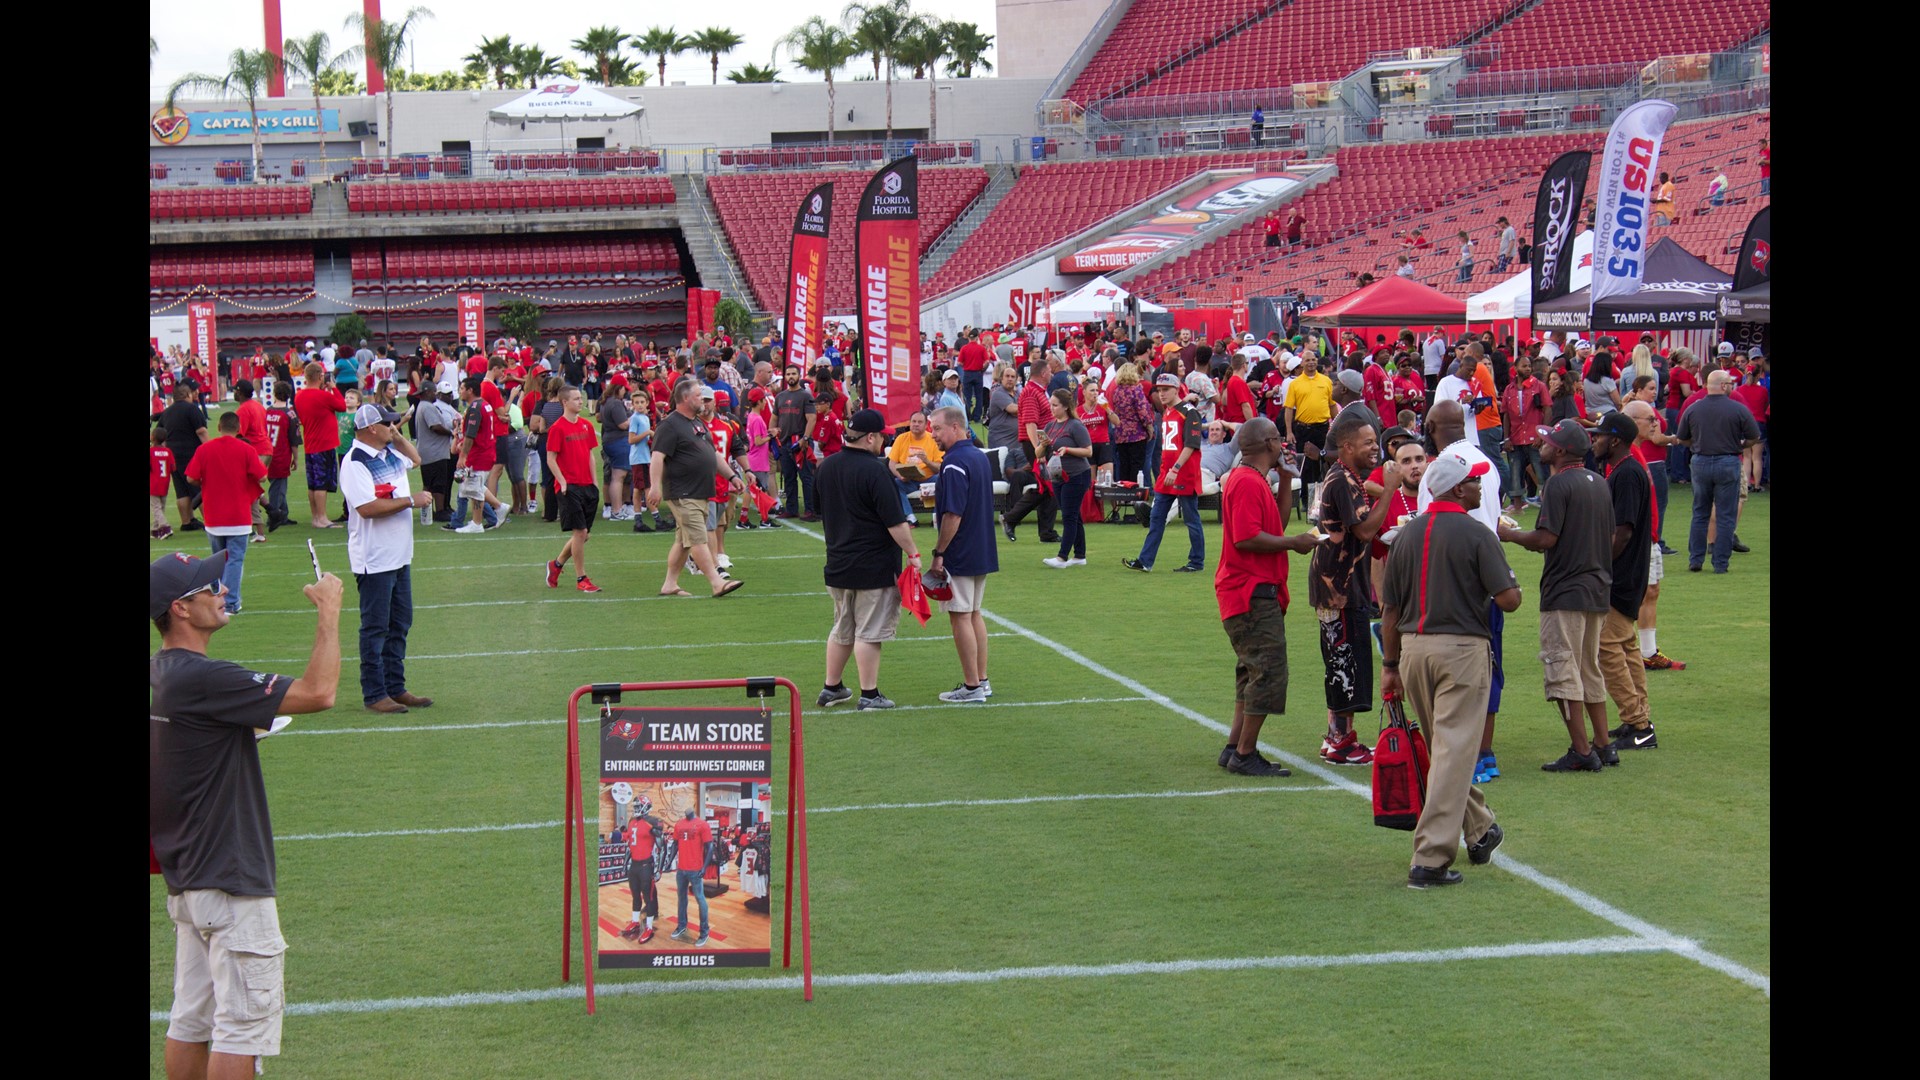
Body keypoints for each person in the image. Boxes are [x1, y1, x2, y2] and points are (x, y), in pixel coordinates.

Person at [151, 550, 342, 1080]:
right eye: (207, 587)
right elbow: (320, 693)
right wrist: (328, 611)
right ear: (180, 610)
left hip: (188, 880)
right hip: (230, 880)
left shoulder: (163, 674)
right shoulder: (202, 678)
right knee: (240, 1027)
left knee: (192, 1022)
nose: (221, 589)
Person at [1379, 450, 1521, 888]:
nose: (1481, 487)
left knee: (1447, 750)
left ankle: (1480, 829)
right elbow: (1509, 600)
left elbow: (1389, 609)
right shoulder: (1478, 534)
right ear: (1458, 489)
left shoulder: (1406, 535)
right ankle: (1430, 858)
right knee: (1454, 752)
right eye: (1475, 481)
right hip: (1460, 650)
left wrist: (1389, 665)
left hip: (1413, 651)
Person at [1497, 420, 1618, 771]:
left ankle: (1581, 752)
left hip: (1565, 591)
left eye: (1547, 441)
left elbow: (1545, 539)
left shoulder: (1558, 484)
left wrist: (1507, 535)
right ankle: (1603, 744)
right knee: (1588, 667)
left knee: (1562, 668)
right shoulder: (1600, 483)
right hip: (1597, 587)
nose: (1541, 443)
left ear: (1561, 451)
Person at [1215, 418, 1323, 775]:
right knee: (1268, 670)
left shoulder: (1252, 478)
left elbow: (1273, 523)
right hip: (1250, 589)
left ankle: (1235, 746)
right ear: (1270, 443)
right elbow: (1247, 538)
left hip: (1251, 588)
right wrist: (1294, 543)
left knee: (1251, 670)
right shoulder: (1247, 481)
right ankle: (1245, 753)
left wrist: (1288, 478)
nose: (1283, 445)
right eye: (1279, 440)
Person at [1416, 400, 1508, 782]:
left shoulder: (1438, 471)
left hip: (1454, 584)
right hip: (1490, 577)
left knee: (1456, 673)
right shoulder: (1484, 461)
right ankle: (1484, 752)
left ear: (1432, 425)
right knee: (1489, 669)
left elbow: (1425, 529)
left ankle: (1463, 755)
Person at [817, 409, 923, 711]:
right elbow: (896, 522)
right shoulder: (876, 471)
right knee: (869, 632)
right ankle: (869, 693)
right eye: (883, 436)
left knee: (842, 627)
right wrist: (913, 554)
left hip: (837, 562)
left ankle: (832, 686)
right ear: (871, 437)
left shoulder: (827, 467)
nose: (885, 441)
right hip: (873, 565)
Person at [1310, 412, 1396, 766]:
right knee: (1345, 661)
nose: (1375, 449)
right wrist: (1390, 490)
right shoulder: (1344, 480)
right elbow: (1363, 530)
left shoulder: (1345, 477)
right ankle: (1343, 742)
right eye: (1368, 443)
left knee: (1339, 659)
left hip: (1335, 585)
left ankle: (1335, 738)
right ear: (1347, 447)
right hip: (1340, 589)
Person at [340, 402, 436, 713]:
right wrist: (411, 500)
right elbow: (366, 508)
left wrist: (395, 436)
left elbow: (417, 459)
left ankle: (396, 687)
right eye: (388, 424)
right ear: (370, 428)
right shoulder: (355, 462)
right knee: (375, 627)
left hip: (398, 555)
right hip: (375, 559)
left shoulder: (388, 453)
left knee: (399, 624)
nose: (394, 427)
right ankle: (374, 693)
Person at [1588, 412, 1657, 751]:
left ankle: (1640, 725)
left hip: (1621, 576)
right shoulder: (1623, 471)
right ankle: (1637, 719)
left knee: (1607, 648)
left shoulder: (1627, 474)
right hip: (1628, 574)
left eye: (1599, 436)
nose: (1594, 440)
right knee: (1627, 647)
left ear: (1614, 440)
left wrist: (1599, 565)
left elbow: (1623, 531)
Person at [647, 380, 748, 599]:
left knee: (683, 542)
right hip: (683, 492)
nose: (702, 399)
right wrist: (655, 487)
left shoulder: (698, 423)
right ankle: (716, 582)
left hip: (700, 491)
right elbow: (657, 457)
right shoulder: (670, 425)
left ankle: (669, 584)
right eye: (698, 396)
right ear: (685, 398)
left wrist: (731, 475)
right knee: (697, 538)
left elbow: (712, 455)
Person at [928, 406, 998, 703]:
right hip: (981, 546)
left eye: (937, 429)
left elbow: (953, 515)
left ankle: (972, 687)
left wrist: (939, 552)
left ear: (956, 427)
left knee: (960, 616)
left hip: (961, 549)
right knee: (973, 614)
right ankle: (981, 681)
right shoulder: (978, 457)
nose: (934, 435)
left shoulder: (955, 463)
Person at [1673, 369, 1761, 573]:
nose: (1732, 386)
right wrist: (1740, 445)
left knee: (1700, 512)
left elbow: (1682, 438)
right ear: (1723, 386)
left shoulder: (1694, 409)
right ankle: (1720, 563)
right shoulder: (1737, 409)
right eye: (1730, 383)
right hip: (1728, 461)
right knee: (1726, 514)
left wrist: (1696, 445)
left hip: (1700, 461)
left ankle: (1695, 559)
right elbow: (1754, 436)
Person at [184, 413, 267, 615]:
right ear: (239, 428)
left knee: (217, 560)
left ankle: (219, 601)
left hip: (213, 516)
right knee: (235, 560)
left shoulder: (205, 449)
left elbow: (190, 478)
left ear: (219, 427)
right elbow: (263, 476)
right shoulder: (246, 449)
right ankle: (230, 602)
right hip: (238, 516)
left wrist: (207, 481)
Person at [1123, 374, 1206, 573]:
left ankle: (1196, 561)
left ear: (1176, 390)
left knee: (1191, 519)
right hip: (1166, 473)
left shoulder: (1188, 412)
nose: (1161, 394)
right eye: (1159, 390)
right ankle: (1145, 561)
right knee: (1156, 518)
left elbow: (1191, 445)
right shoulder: (1169, 412)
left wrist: (1176, 469)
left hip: (1183, 473)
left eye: (1166, 389)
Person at [542, 387, 604, 594]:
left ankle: (556, 565)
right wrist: (562, 481)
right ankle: (581, 578)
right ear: (564, 402)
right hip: (569, 487)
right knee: (580, 532)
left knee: (583, 535)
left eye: (581, 398)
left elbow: (589, 455)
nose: (581, 402)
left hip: (588, 486)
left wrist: (594, 482)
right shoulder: (557, 428)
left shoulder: (586, 425)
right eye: (576, 399)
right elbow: (550, 458)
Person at [1041, 389, 1095, 569]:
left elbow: (1088, 451)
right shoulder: (1050, 426)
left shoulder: (1075, 425)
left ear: (1065, 407)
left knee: (1069, 516)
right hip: (1058, 475)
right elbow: (1039, 453)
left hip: (1077, 475)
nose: (1052, 408)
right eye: (1051, 404)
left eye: (1055, 405)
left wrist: (1068, 450)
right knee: (1073, 515)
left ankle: (1062, 557)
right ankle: (1080, 555)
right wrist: (1043, 445)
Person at [292, 362, 348, 528]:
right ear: (320, 377)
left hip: (311, 444)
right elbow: (342, 406)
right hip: (324, 444)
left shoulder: (299, 395)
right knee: (321, 483)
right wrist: (334, 388)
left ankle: (316, 517)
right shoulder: (324, 396)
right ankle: (322, 517)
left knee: (313, 483)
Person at [616, 794, 666, 943]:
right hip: (635, 866)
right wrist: (625, 863)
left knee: (648, 898)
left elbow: (662, 848)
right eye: (635, 806)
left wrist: (659, 869)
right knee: (635, 896)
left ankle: (649, 927)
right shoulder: (632, 822)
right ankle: (635, 921)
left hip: (646, 866)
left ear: (646, 807)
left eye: (638, 806)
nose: (636, 809)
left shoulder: (653, 822)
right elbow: (630, 846)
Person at [773, 364, 819, 520]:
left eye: (793, 374)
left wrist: (805, 439)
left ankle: (810, 510)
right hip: (785, 443)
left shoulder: (806, 396)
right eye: (788, 374)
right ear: (784, 377)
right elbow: (774, 417)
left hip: (800, 443)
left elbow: (812, 419)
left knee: (806, 477)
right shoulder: (780, 397)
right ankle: (791, 509)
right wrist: (772, 434)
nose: (790, 376)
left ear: (799, 376)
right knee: (789, 476)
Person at [886, 410, 942, 526]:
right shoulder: (901, 438)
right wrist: (900, 476)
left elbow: (940, 467)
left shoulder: (933, 439)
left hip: (929, 479)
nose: (916, 424)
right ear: (909, 423)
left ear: (926, 425)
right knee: (894, 483)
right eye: (913, 421)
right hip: (908, 480)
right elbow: (891, 463)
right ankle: (910, 517)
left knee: (943, 480)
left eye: (919, 422)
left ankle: (937, 516)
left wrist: (926, 461)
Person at [670, 808, 713, 947]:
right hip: (681, 869)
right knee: (681, 898)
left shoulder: (702, 824)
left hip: (695, 869)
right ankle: (682, 925)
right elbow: (675, 845)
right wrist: (668, 861)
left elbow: (710, 847)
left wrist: (704, 867)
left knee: (700, 899)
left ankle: (704, 932)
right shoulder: (679, 824)